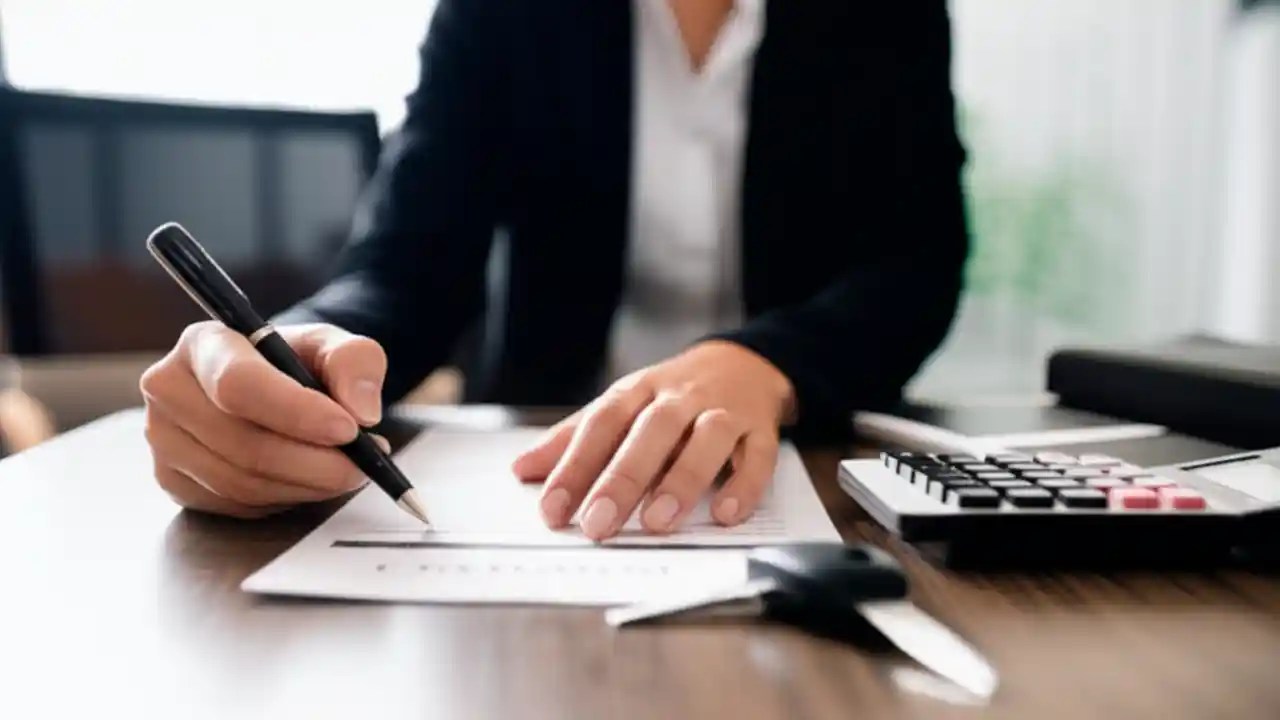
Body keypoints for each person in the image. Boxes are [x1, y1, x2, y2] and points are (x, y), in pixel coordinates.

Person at [140, 0, 968, 539]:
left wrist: (766, 364)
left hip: (808, 458)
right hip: (537, 465)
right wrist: (295, 356)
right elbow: (406, 266)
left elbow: (914, 265)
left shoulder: (889, 16)